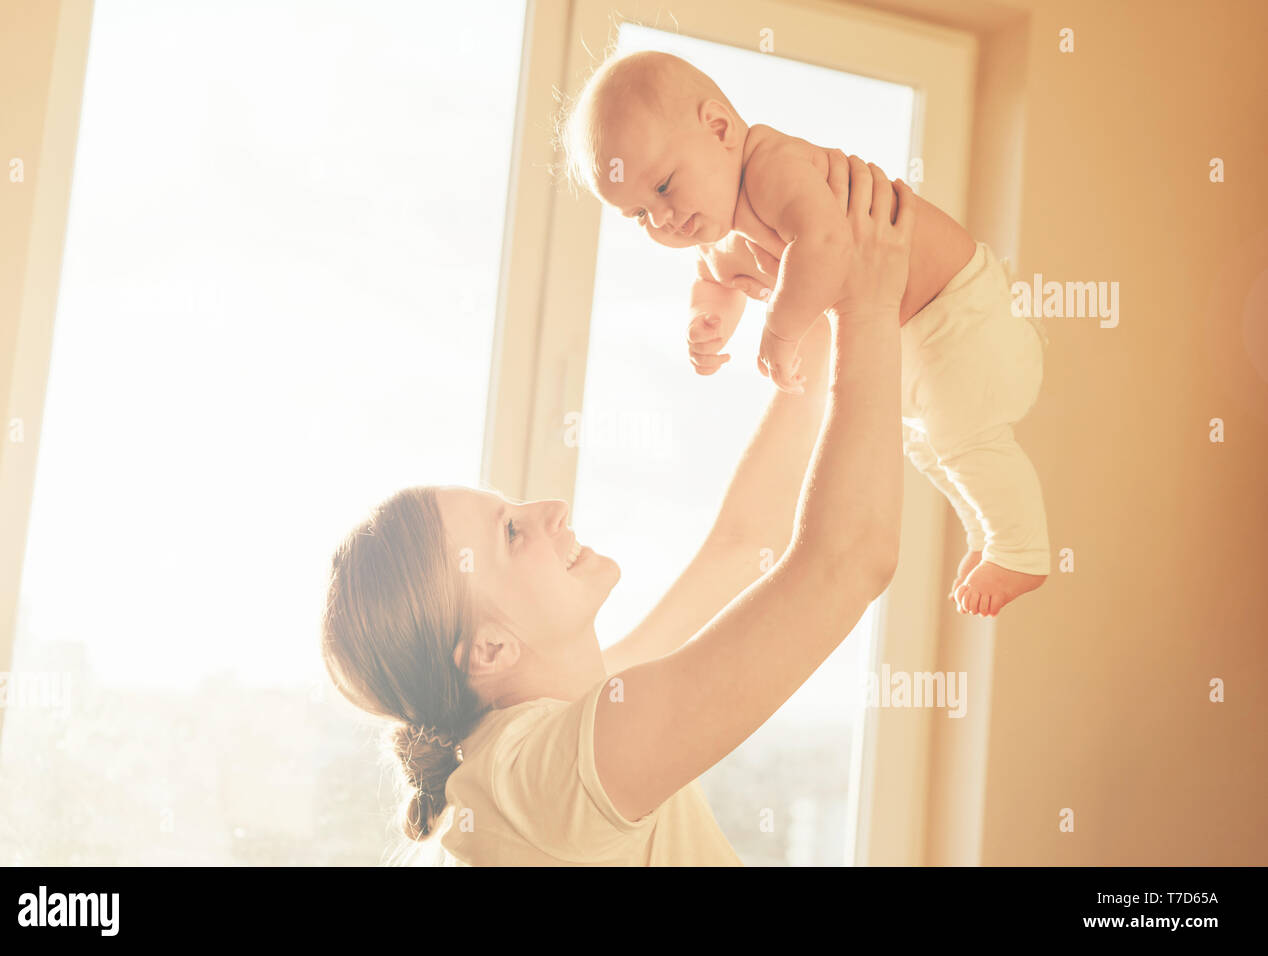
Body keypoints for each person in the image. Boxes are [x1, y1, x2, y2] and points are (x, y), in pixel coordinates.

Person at [321, 155, 911, 865]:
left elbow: (742, 547)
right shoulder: (541, 777)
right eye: (510, 532)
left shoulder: (555, 724)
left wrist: (805, 336)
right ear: (490, 650)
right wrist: (870, 306)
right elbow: (848, 560)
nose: (551, 509)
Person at [561, 49, 1050, 615]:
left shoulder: (772, 167)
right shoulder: (719, 238)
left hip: (960, 314)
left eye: (665, 186)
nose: (663, 219)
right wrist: (708, 317)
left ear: (719, 128)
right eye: (640, 214)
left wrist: (780, 330)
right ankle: (989, 532)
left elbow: (822, 244)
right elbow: (713, 276)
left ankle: (1023, 551)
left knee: (963, 435)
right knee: (933, 447)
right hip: (916, 345)